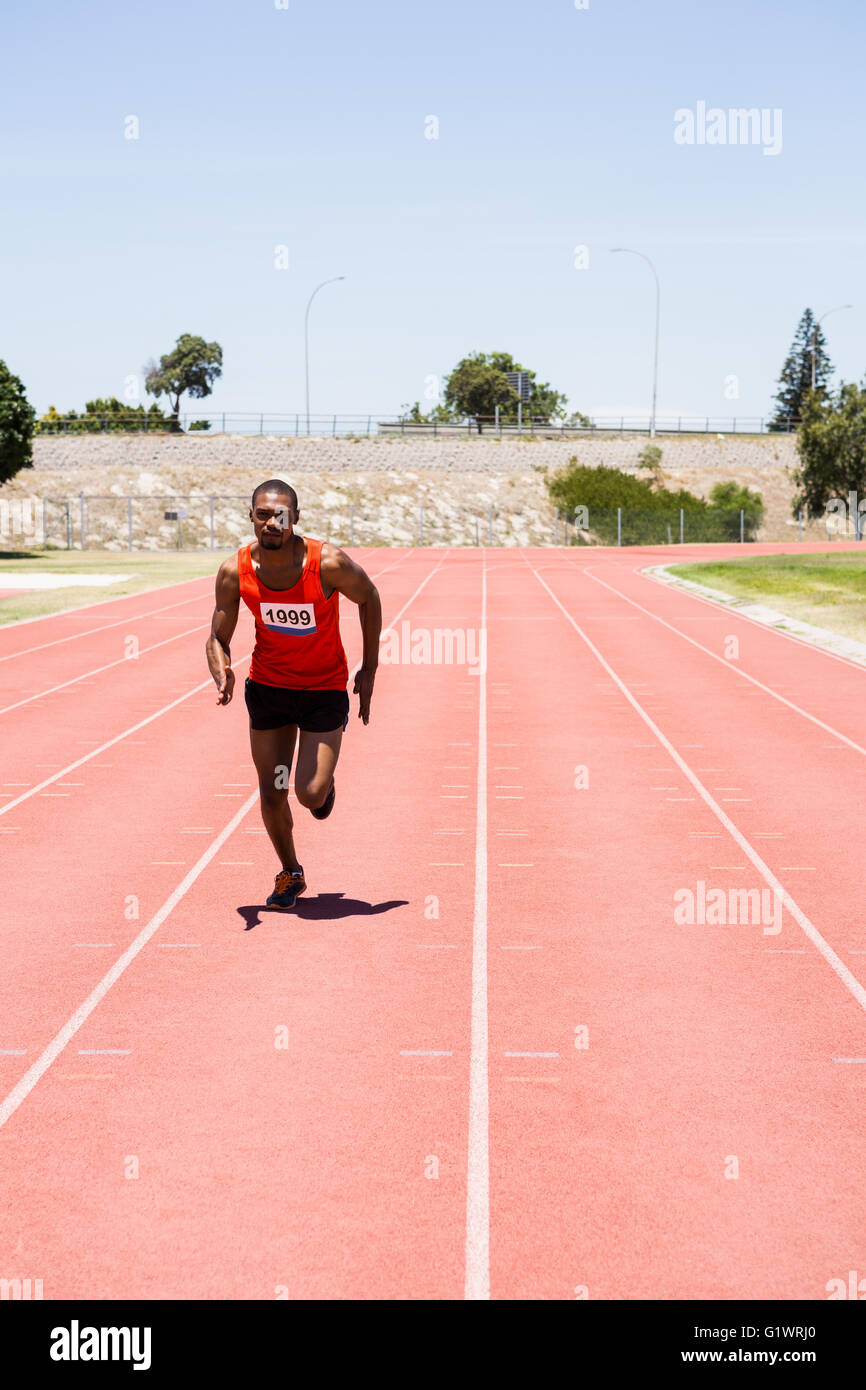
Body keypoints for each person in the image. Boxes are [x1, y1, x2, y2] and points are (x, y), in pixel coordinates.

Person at [206, 479, 381, 909]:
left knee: (309, 793)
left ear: (295, 518)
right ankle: (291, 871)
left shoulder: (327, 564)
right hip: (269, 690)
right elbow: (217, 636)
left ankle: (323, 785)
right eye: (262, 514)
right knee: (272, 791)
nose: (271, 522)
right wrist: (221, 669)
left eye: (280, 515)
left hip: (322, 690)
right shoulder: (236, 571)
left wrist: (370, 668)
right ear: (251, 517)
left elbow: (370, 596)